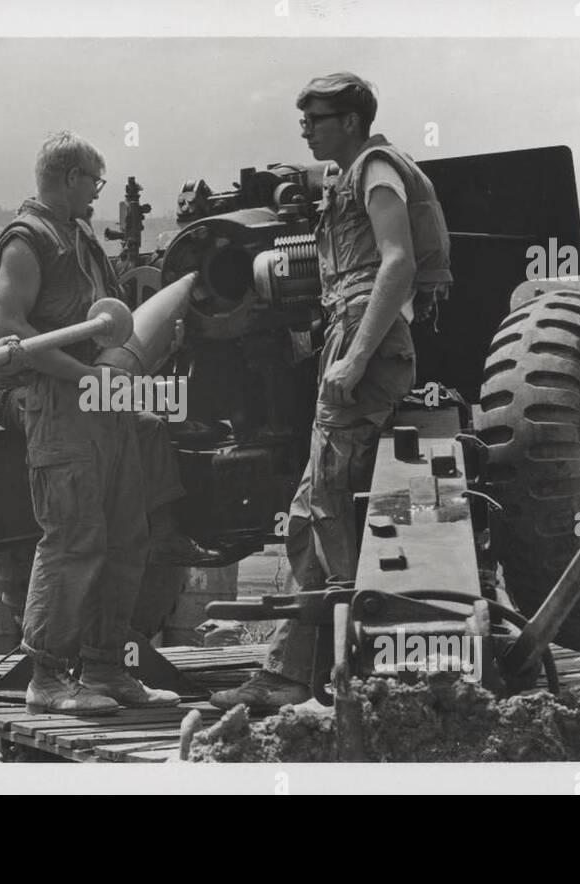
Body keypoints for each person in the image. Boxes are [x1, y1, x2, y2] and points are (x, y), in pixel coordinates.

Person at [211, 72, 452, 711]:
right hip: (351, 336)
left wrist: (353, 360)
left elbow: (396, 262)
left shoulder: (375, 169)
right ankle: (303, 670)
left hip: (365, 344)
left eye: (316, 118)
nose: (306, 128)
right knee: (315, 504)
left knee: (326, 500)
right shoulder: (352, 177)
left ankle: (341, 672)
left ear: (349, 120)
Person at [0, 131, 180, 715]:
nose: (98, 195)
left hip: (105, 409)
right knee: (73, 540)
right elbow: (9, 332)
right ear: (70, 177)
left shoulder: (81, 238)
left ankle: (104, 669)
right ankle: (47, 677)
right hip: (59, 407)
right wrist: (82, 377)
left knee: (126, 537)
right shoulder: (27, 241)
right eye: (93, 182)